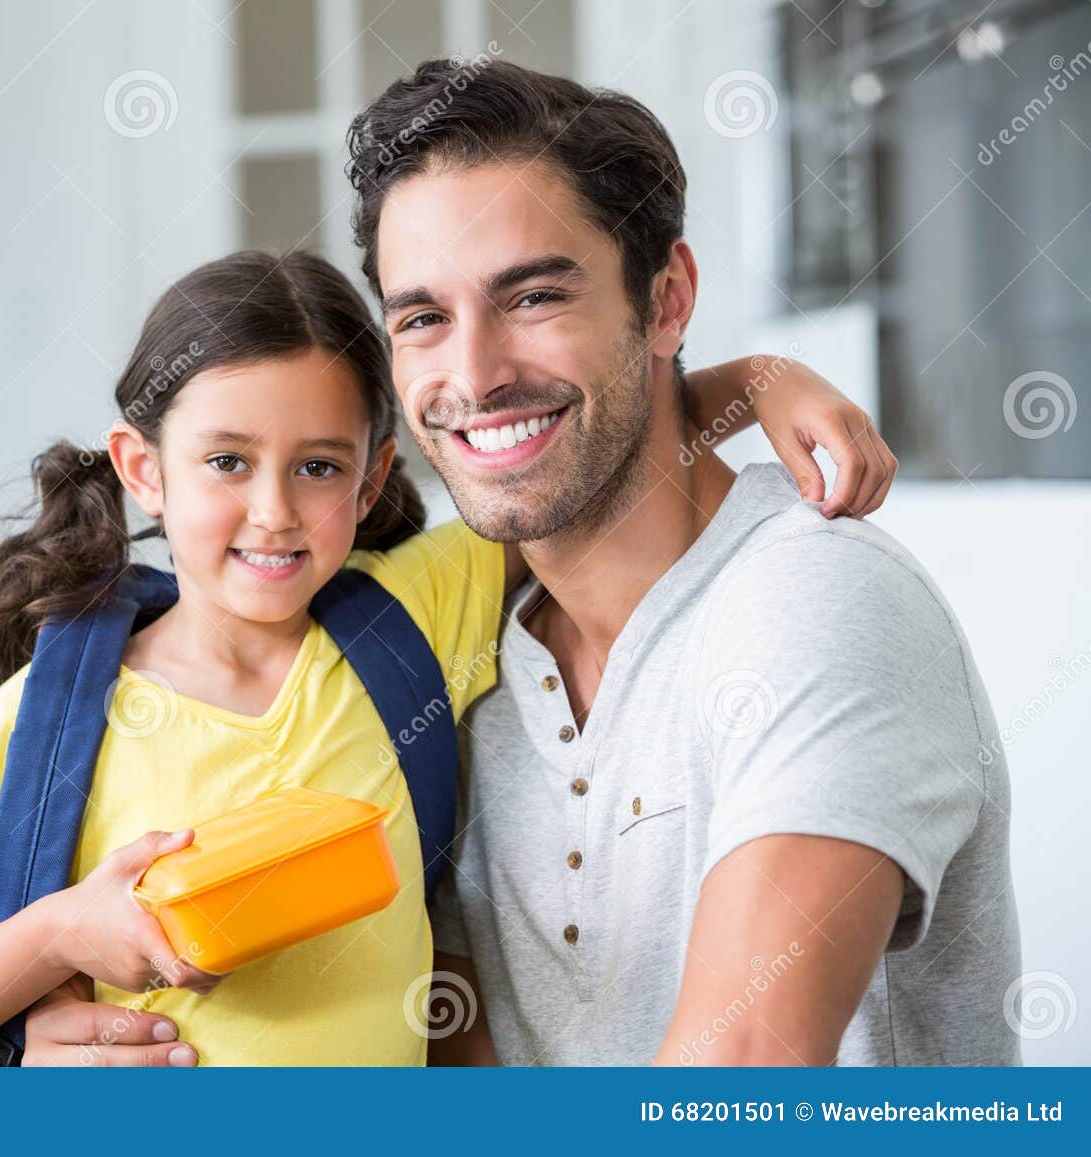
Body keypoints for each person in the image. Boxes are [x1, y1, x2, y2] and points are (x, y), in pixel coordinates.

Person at [0, 245, 892, 1066]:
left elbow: (591, 460)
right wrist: (63, 929)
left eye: (317, 466)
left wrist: (753, 379)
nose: (273, 510)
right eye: (226, 461)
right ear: (144, 469)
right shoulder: (52, 712)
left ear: (369, 486)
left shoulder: (410, 619)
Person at [350, 60, 1020, 1065]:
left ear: (666, 303)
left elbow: (740, 1075)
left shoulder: (815, 599)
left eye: (532, 295)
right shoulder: (450, 634)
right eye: (423, 319)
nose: (475, 374)